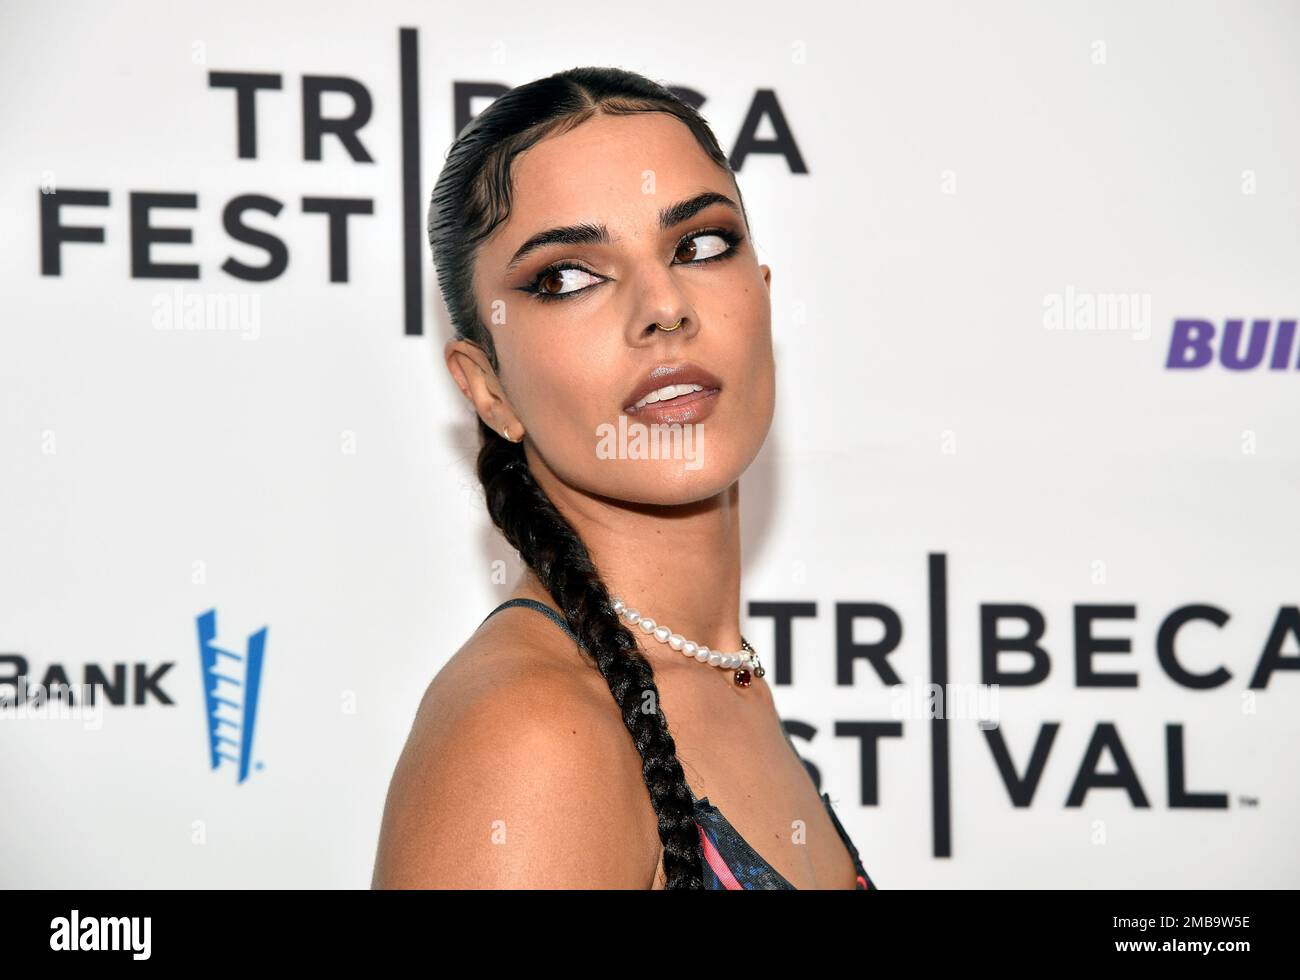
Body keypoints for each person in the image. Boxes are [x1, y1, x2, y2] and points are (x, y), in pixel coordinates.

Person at [372, 66, 874, 890]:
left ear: (764, 295)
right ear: (487, 387)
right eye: (567, 276)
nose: (664, 305)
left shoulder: (721, 677)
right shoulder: (528, 736)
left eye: (701, 245)